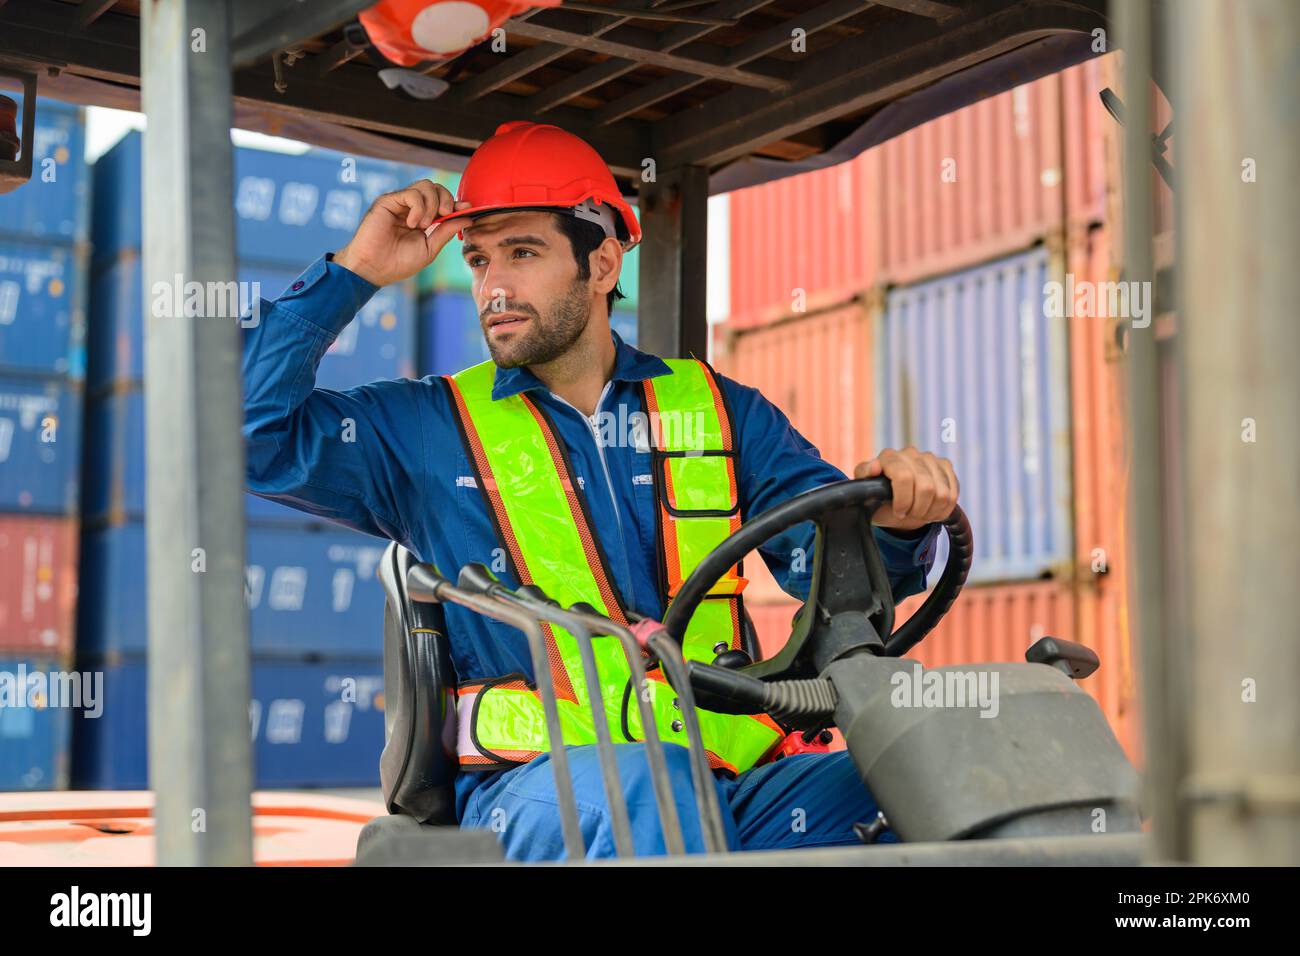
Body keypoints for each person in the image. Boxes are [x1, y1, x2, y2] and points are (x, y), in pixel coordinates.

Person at [241, 120, 961, 861]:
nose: (493, 286)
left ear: (604, 262)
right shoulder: (424, 427)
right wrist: (354, 270)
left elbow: (831, 577)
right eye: (479, 259)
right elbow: (248, 433)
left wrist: (900, 525)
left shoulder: (721, 411)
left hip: (731, 786)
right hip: (532, 793)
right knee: (647, 784)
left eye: (523, 254)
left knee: (937, 771)